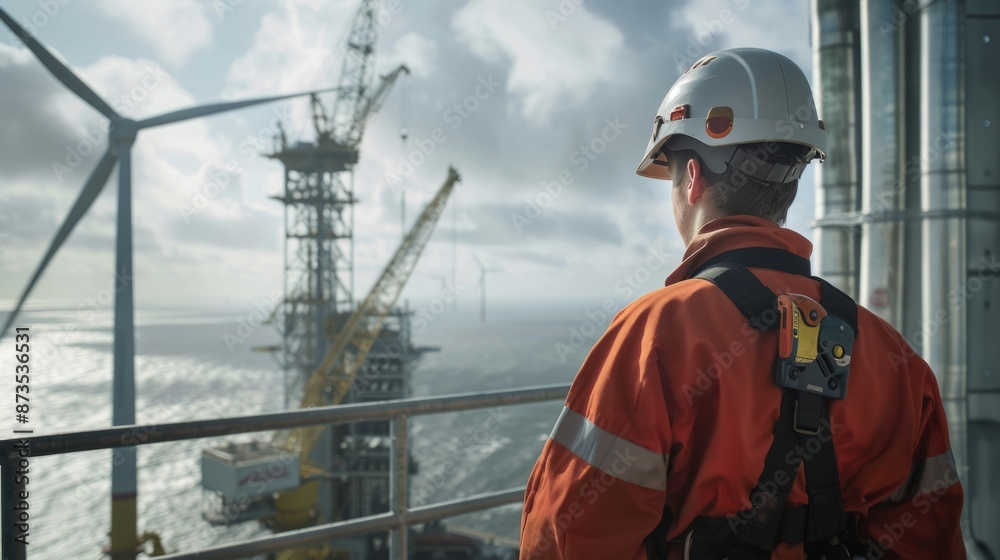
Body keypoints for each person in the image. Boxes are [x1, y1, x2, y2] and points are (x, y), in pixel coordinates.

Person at [518, 48, 965, 560]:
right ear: (792, 182)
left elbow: (569, 533)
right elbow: (932, 538)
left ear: (692, 178)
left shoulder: (655, 334)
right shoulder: (897, 359)